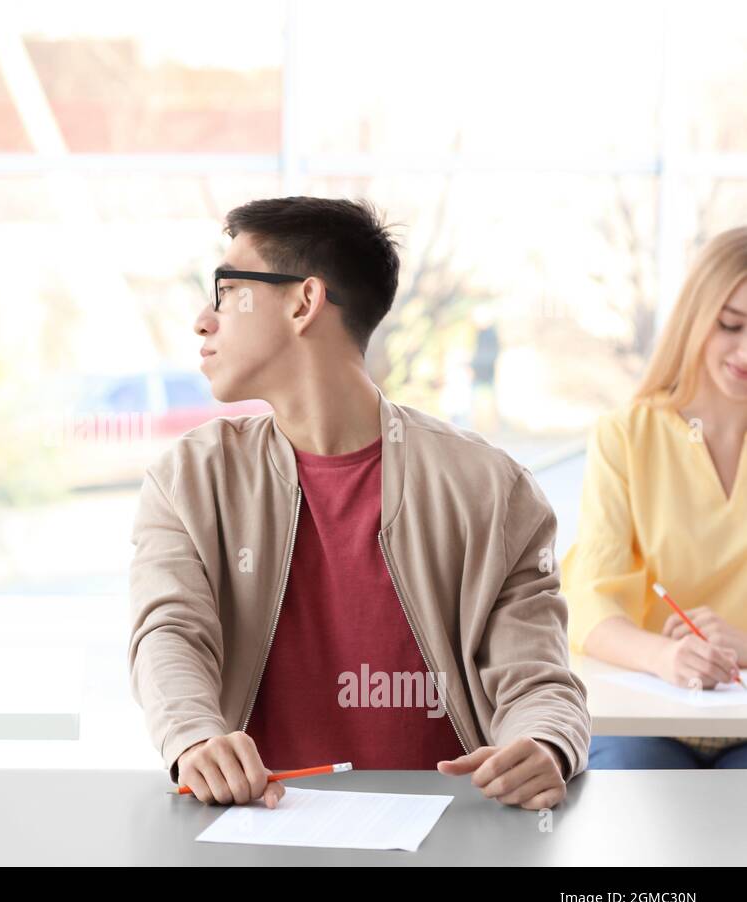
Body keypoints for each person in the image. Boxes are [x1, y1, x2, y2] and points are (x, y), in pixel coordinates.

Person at [128, 196, 589, 811]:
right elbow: (169, 634)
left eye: (227, 290)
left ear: (303, 302)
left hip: (451, 832)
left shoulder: (491, 489)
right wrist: (195, 737)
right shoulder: (189, 478)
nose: (202, 321)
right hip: (258, 827)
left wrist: (543, 744)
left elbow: (538, 680)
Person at [563, 226, 747, 770]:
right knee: (634, 788)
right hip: (651, 714)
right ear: (694, 317)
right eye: (731, 325)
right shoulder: (627, 435)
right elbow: (593, 608)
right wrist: (668, 656)